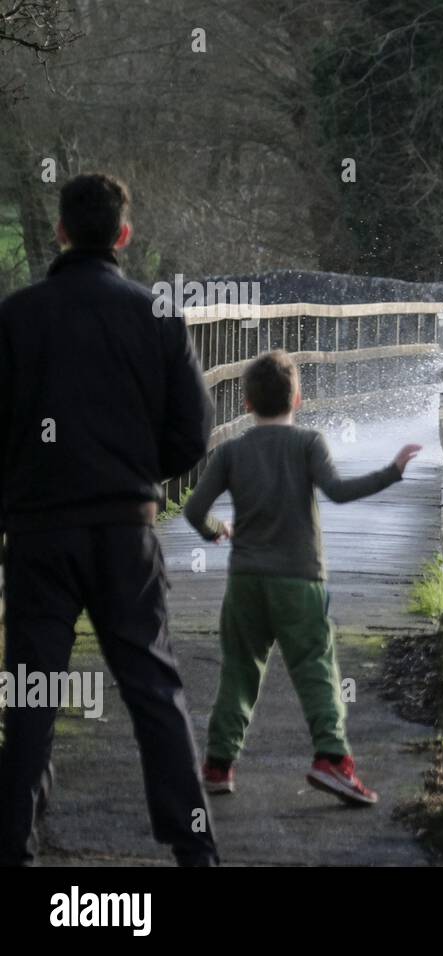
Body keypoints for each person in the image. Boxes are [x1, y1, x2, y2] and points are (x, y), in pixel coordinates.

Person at [0, 173, 218, 866]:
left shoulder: (16, 317)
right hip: (126, 526)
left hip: (38, 530)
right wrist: (137, 470)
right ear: (124, 235)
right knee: (155, 691)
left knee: (31, 695)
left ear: (61, 231)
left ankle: (12, 847)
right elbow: (194, 433)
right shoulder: (155, 316)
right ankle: (193, 849)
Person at [183, 350, 420, 805]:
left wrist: (218, 530)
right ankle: (331, 760)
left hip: (247, 581)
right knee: (315, 669)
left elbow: (195, 511)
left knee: (238, 672)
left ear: (247, 403)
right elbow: (338, 491)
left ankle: (218, 764)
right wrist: (391, 473)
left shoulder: (231, 452)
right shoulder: (309, 443)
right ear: (299, 398)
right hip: (300, 580)